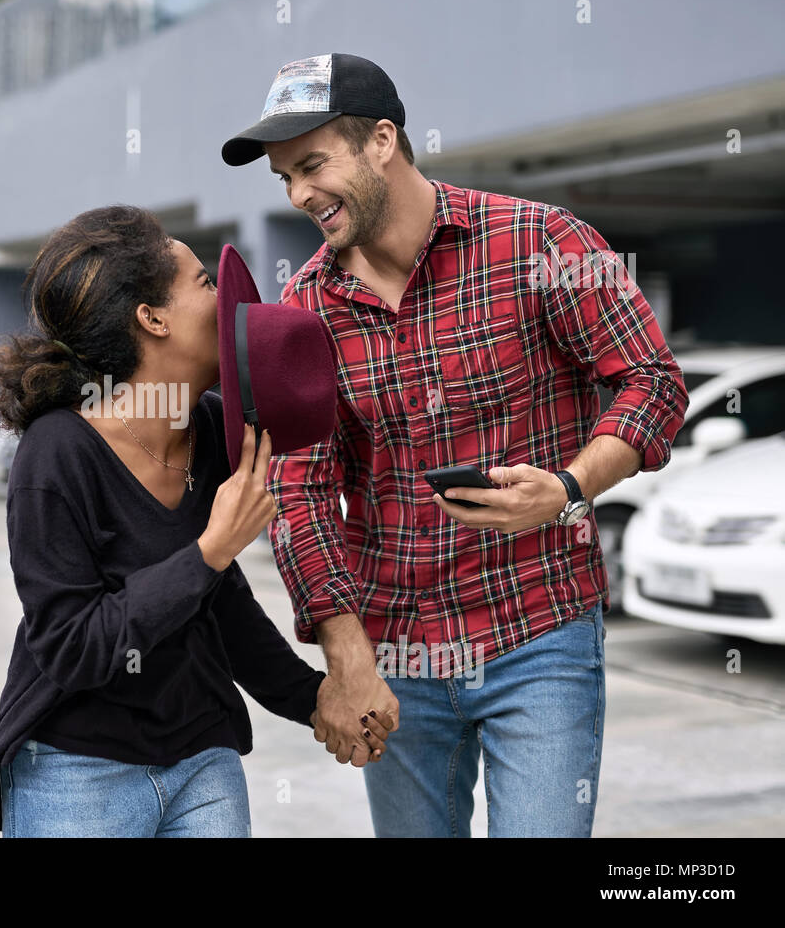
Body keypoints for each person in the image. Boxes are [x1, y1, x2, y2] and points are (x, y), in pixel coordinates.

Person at [221, 53, 690, 836]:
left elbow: (652, 380)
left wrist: (569, 487)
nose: (300, 194)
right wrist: (346, 653)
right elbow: (300, 490)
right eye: (284, 179)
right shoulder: (305, 307)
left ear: (381, 141)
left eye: (311, 165)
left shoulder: (542, 241)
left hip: (540, 634)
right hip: (398, 652)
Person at [0, 205, 375, 836]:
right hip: (77, 772)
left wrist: (317, 700)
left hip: (203, 759)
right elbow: (72, 648)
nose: (226, 301)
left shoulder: (209, 427)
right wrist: (208, 551)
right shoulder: (57, 452)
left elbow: (221, 607)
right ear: (152, 318)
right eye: (204, 283)